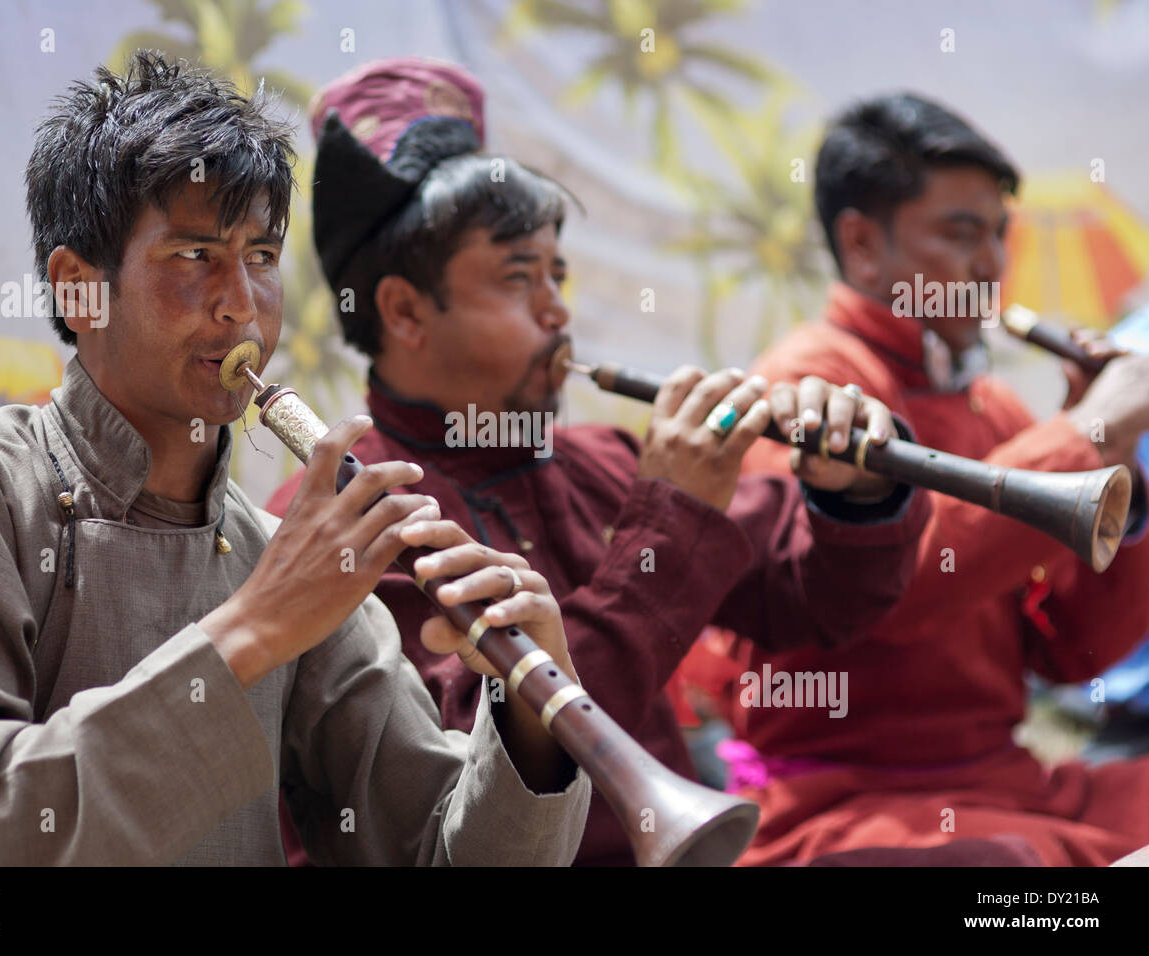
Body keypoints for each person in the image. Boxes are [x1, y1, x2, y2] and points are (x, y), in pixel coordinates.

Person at [0, 51, 592, 866]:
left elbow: (428, 853)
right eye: (194, 256)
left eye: (263, 257)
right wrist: (255, 628)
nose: (242, 302)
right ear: (78, 288)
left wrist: (527, 721)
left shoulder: (279, 557)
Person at [267, 58, 932, 866]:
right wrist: (676, 517)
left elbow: (813, 604)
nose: (558, 312)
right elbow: (475, 778)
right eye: (518, 279)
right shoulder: (344, 511)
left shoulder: (597, 461)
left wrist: (856, 493)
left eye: (558, 273)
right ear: (405, 311)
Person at [707, 92, 1149, 866]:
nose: (991, 267)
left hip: (1006, 786)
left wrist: (1114, 475)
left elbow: (1077, 653)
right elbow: (896, 590)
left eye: (998, 236)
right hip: (849, 804)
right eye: (961, 234)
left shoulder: (996, 406)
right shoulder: (809, 382)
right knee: (1008, 878)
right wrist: (1088, 432)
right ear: (862, 243)